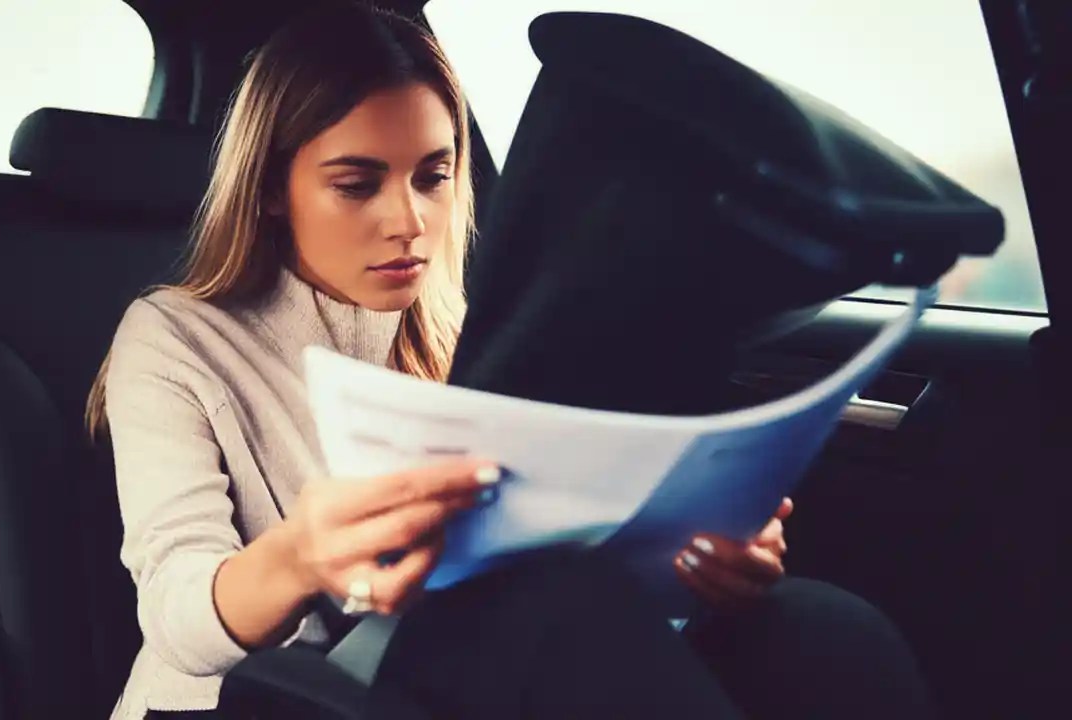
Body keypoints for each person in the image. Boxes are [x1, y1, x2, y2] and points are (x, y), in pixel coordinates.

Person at [87, 3, 935, 719]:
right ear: (273, 188)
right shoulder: (172, 339)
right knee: (562, 621)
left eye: (433, 175)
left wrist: (700, 562)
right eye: (357, 184)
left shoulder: (477, 328)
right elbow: (175, 616)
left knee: (817, 629)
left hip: (455, 666)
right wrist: (303, 555)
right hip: (257, 696)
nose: (409, 220)